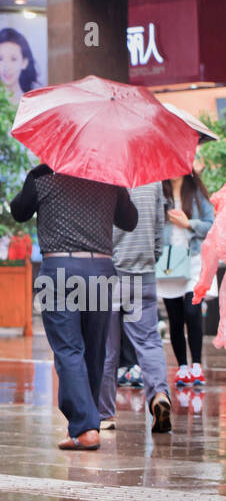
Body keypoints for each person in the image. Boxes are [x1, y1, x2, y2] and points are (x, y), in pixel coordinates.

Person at [10, 163, 138, 450]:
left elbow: (19, 211)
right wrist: (119, 183)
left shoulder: (42, 175)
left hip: (60, 268)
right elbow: (130, 221)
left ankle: (84, 427)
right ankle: (82, 426)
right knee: (93, 351)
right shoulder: (109, 174)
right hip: (101, 270)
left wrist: (33, 176)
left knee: (69, 350)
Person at [98, 181, 172, 436]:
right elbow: (159, 227)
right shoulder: (154, 180)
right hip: (144, 272)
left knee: (107, 347)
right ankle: (159, 394)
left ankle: (105, 414)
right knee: (149, 341)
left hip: (110, 272)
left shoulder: (107, 176)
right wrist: (152, 256)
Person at [158, 167, 214, 386]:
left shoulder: (196, 190)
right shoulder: (160, 193)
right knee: (175, 316)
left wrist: (188, 224)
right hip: (168, 262)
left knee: (192, 311)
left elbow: (211, 226)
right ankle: (182, 366)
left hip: (193, 261)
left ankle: (197, 365)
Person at [0, 26, 39, 105]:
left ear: (24, 63)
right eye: (0, 59)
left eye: (13, 59)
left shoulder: (33, 104)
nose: (7, 67)